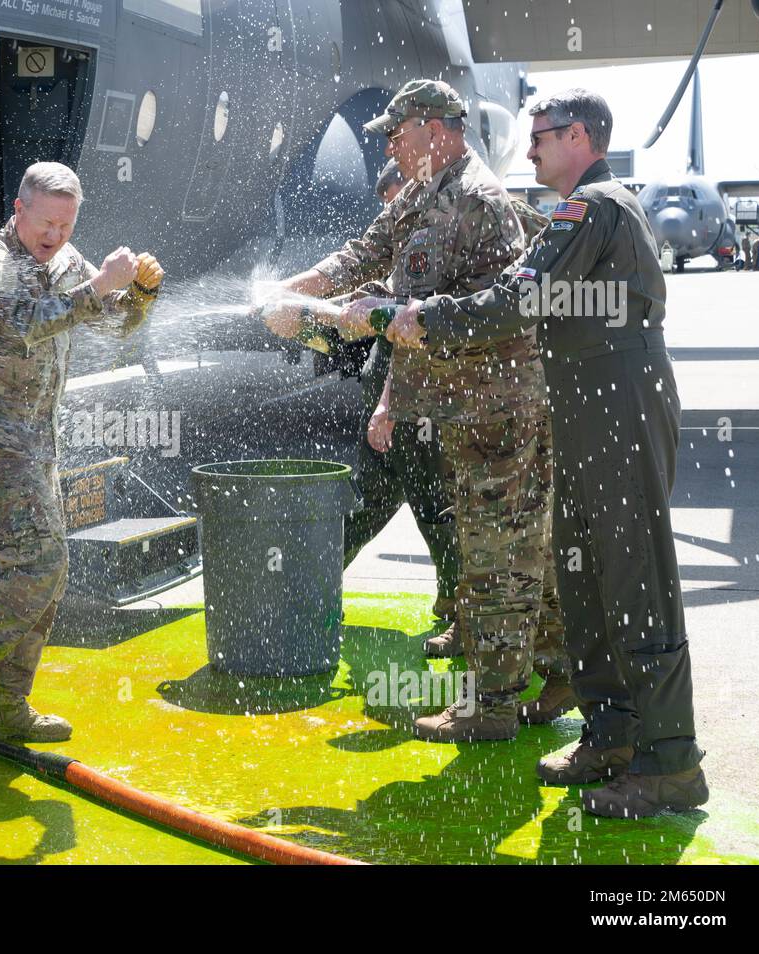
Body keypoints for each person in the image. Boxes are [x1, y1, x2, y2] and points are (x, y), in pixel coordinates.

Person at [387, 89, 707, 817]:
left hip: (618, 399)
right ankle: (612, 735)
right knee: (586, 572)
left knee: (636, 577)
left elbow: (517, 299)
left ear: (581, 137)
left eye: (542, 136)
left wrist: (427, 318)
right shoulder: (579, 212)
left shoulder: (592, 209)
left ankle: (670, 762)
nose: (529, 149)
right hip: (587, 402)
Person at [264, 79, 572, 741]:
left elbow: (482, 314)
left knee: (493, 555)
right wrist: (292, 294)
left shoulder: (479, 201)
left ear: (435, 129)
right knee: (515, 546)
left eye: (397, 135)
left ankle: (491, 706)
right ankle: (558, 669)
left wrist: (375, 316)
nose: (390, 148)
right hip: (456, 408)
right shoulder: (416, 196)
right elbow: (362, 258)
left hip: (497, 408)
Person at [0, 162, 162, 742]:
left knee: (49, 572)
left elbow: (112, 327)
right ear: (19, 209)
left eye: (66, 224)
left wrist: (141, 293)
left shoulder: (66, 262)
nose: (55, 235)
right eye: (46, 222)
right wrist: (99, 285)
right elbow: (22, 324)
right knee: (39, 565)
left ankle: (10, 701)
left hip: (38, 441)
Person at [336, 160, 461, 641]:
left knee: (438, 508)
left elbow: (414, 333)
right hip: (390, 402)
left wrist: (388, 405)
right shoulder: (409, 242)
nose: (395, 222)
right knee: (368, 500)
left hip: (418, 403)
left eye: (397, 207)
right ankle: (314, 580)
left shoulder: (452, 230)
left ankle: (458, 605)